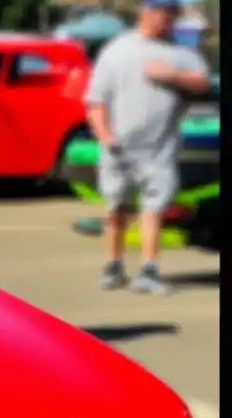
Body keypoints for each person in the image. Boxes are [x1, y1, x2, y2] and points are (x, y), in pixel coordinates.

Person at [85, 0, 210, 294]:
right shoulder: (117, 51)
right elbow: (95, 102)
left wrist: (172, 76)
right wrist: (106, 137)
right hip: (120, 149)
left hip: (160, 148)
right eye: (162, 14)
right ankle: (113, 265)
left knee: (154, 208)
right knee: (118, 208)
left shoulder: (181, 54)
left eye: (171, 15)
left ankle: (149, 270)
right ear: (146, 13)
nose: (166, 21)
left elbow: (202, 83)